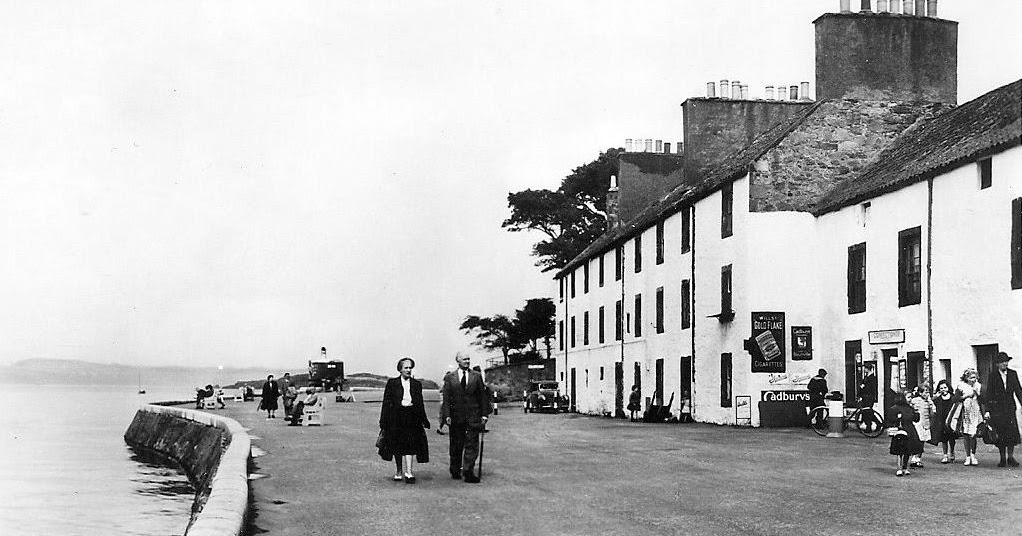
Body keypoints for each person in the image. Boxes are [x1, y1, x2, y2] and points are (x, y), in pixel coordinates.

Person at [440, 354, 491, 483]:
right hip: (456, 417)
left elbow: (482, 397)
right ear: (457, 361)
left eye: (469, 359)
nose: (467, 361)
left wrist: (484, 414)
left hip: (473, 416)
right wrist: (447, 415)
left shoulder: (476, 376)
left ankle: (468, 472)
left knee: (472, 444)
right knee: (456, 445)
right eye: (464, 359)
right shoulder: (450, 378)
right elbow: (446, 399)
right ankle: (455, 469)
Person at [378, 358, 430, 483]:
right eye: (406, 367)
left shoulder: (417, 384)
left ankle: (409, 472)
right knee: (397, 444)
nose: (408, 370)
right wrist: (383, 420)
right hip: (396, 417)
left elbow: (420, 403)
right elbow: (386, 403)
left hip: (412, 416)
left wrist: (424, 419)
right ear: (400, 369)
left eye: (410, 367)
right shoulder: (392, 383)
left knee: (410, 444)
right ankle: (399, 471)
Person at [983, 352, 1022, 468]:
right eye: (1002, 362)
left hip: (1010, 407)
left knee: (1012, 433)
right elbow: (989, 393)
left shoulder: (1012, 374)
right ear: (997, 364)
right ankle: (1002, 458)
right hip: (997, 409)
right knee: (1001, 433)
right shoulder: (993, 375)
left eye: (1006, 361)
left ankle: (1010, 457)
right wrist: (988, 410)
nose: (1005, 364)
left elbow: (1018, 390)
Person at [886, 391, 922, 477]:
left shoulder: (910, 408)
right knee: (899, 451)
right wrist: (897, 418)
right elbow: (890, 420)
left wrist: (916, 411)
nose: (910, 399)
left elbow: (916, 419)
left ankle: (905, 468)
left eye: (911, 397)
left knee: (907, 450)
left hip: (910, 430)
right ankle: (899, 468)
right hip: (900, 430)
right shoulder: (895, 408)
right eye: (908, 397)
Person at [955, 368, 983, 466]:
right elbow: (956, 398)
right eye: (971, 378)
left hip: (975, 411)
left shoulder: (978, 386)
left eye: (975, 377)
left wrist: (977, 393)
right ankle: (967, 456)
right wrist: (967, 396)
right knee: (966, 434)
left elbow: (982, 398)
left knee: (973, 434)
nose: (973, 380)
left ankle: (973, 455)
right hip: (965, 411)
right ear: (966, 378)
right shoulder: (961, 386)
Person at [931, 379, 958, 463]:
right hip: (941, 420)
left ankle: (952, 452)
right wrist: (935, 397)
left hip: (950, 420)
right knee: (944, 439)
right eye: (941, 388)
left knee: (951, 438)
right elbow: (931, 402)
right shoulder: (938, 398)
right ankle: (945, 454)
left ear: (948, 388)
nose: (943, 389)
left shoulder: (952, 397)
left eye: (945, 387)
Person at [908, 386, 935, 468]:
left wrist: (931, 405)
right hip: (917, 423)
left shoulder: (929, 402)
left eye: (928, 392)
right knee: (917, 441)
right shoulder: (915, 400)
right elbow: (910, 408)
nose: (927, 394)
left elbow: (932, 414)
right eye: (925, 392)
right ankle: (914, 458)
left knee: (922, 441)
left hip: (925, 424)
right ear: (920, 393)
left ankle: (918, 458)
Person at [857, 366, 879, 432]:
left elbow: (869, 388)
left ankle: (869, 427)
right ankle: (878, 423)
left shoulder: (872, 378)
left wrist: (863, 387)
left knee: (867, 412)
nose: (865, 370)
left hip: (868, 397)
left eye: (866, 368)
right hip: (865, 397)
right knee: (867, 412)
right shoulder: (866, 377)